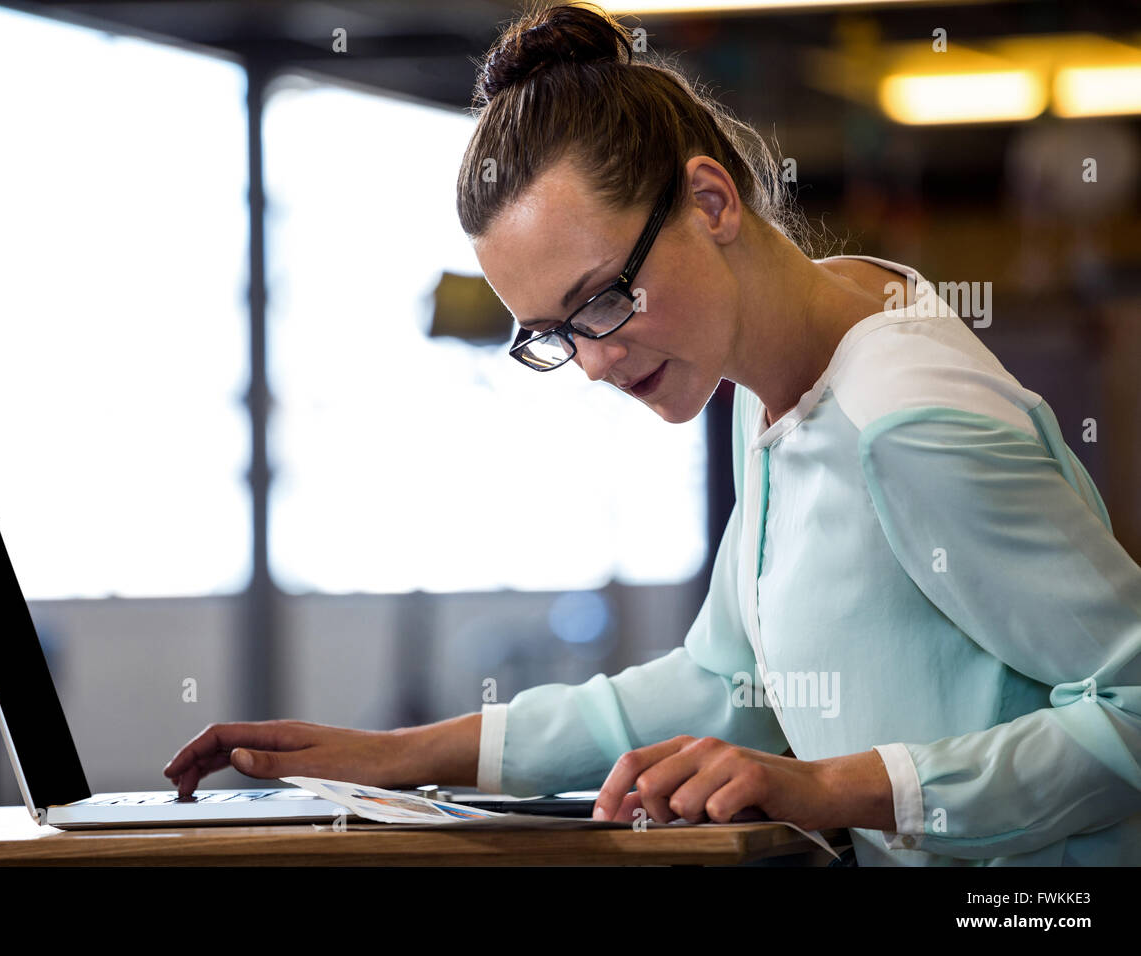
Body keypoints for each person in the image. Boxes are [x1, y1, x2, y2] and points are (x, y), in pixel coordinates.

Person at [164, 2, 1141, 865]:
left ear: (710, 201)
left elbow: (1131, 706)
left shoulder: (903, 415)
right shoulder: (775, 388)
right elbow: (726, 684)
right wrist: (398, 755)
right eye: (551, 334)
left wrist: (833, 788)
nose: (590, 361)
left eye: (598, 302)